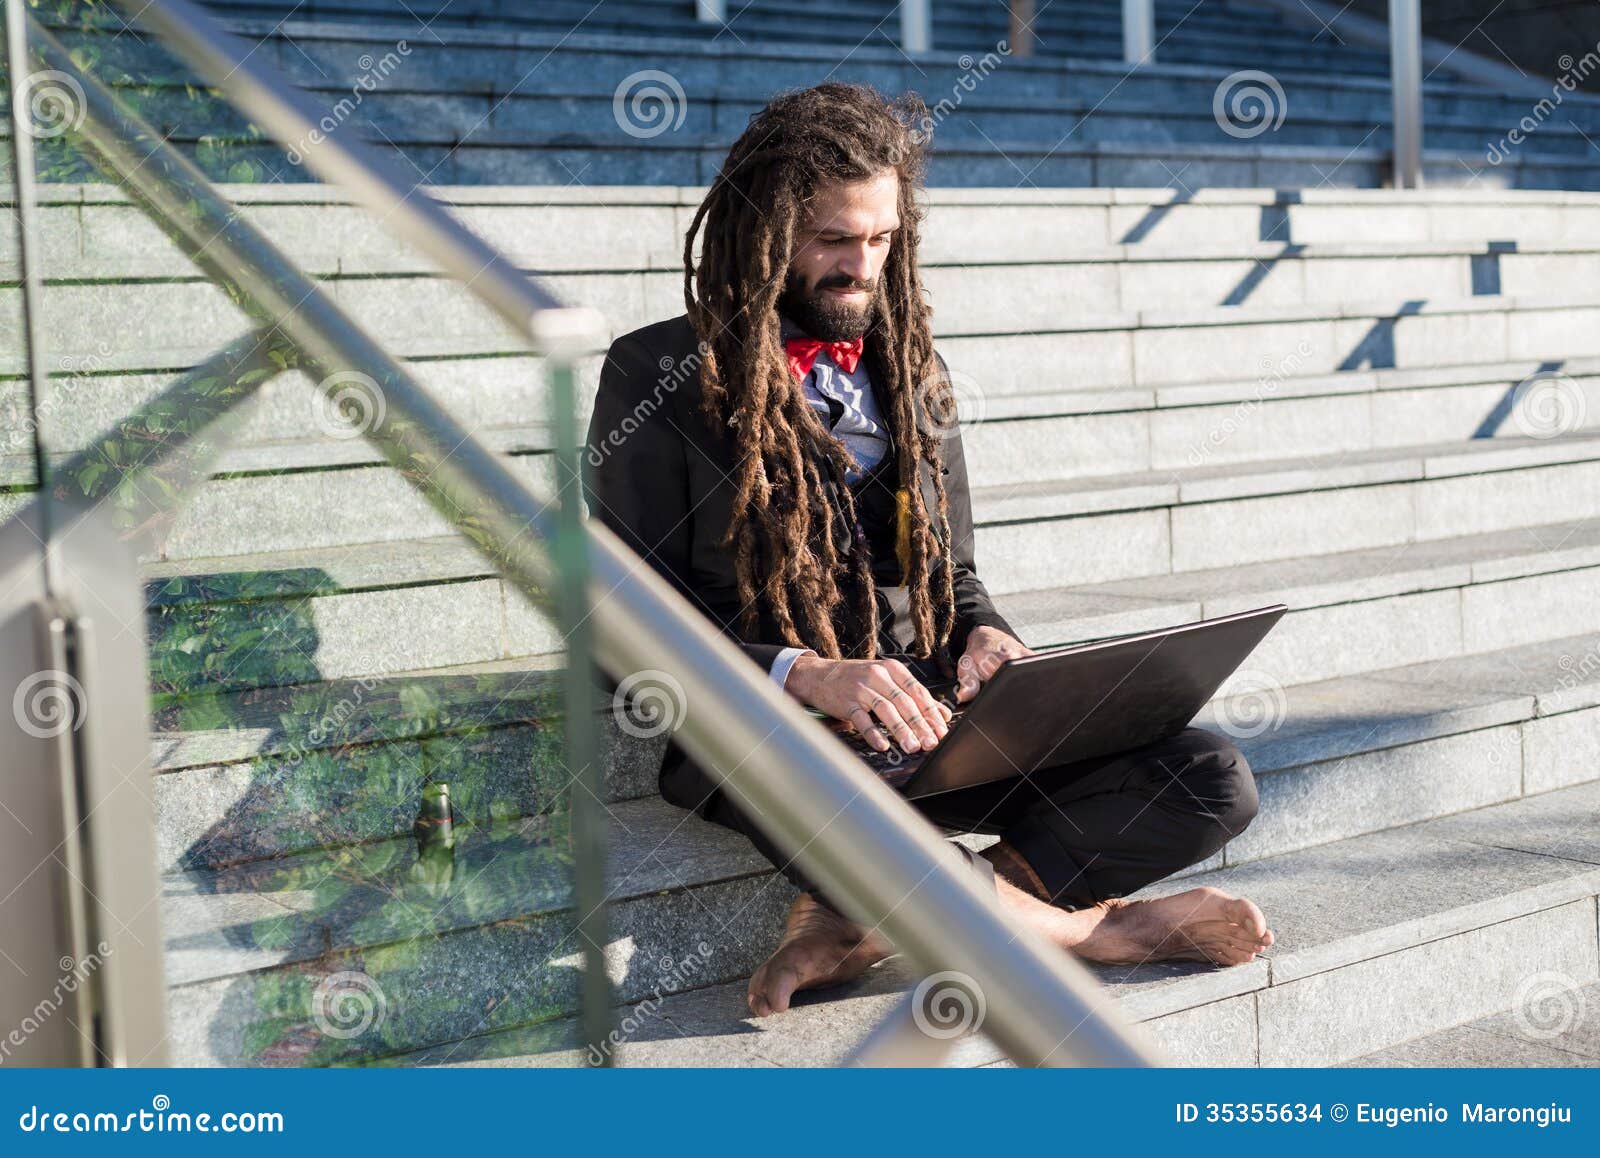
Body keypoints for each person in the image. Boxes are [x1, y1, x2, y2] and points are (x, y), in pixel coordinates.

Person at [582, 81, 1273, 1019]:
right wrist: (809, 676)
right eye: (833, 239)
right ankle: (1093, 932)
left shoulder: (913, 369)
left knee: (1208, 774)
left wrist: (988, 639)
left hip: (933, 715)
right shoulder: (655, 374)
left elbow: (957, 575)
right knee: (852, 804)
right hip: (770, 736)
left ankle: (871, 919)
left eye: (882, 239)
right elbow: (618, 626)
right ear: (764, 231)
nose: (861, 267)